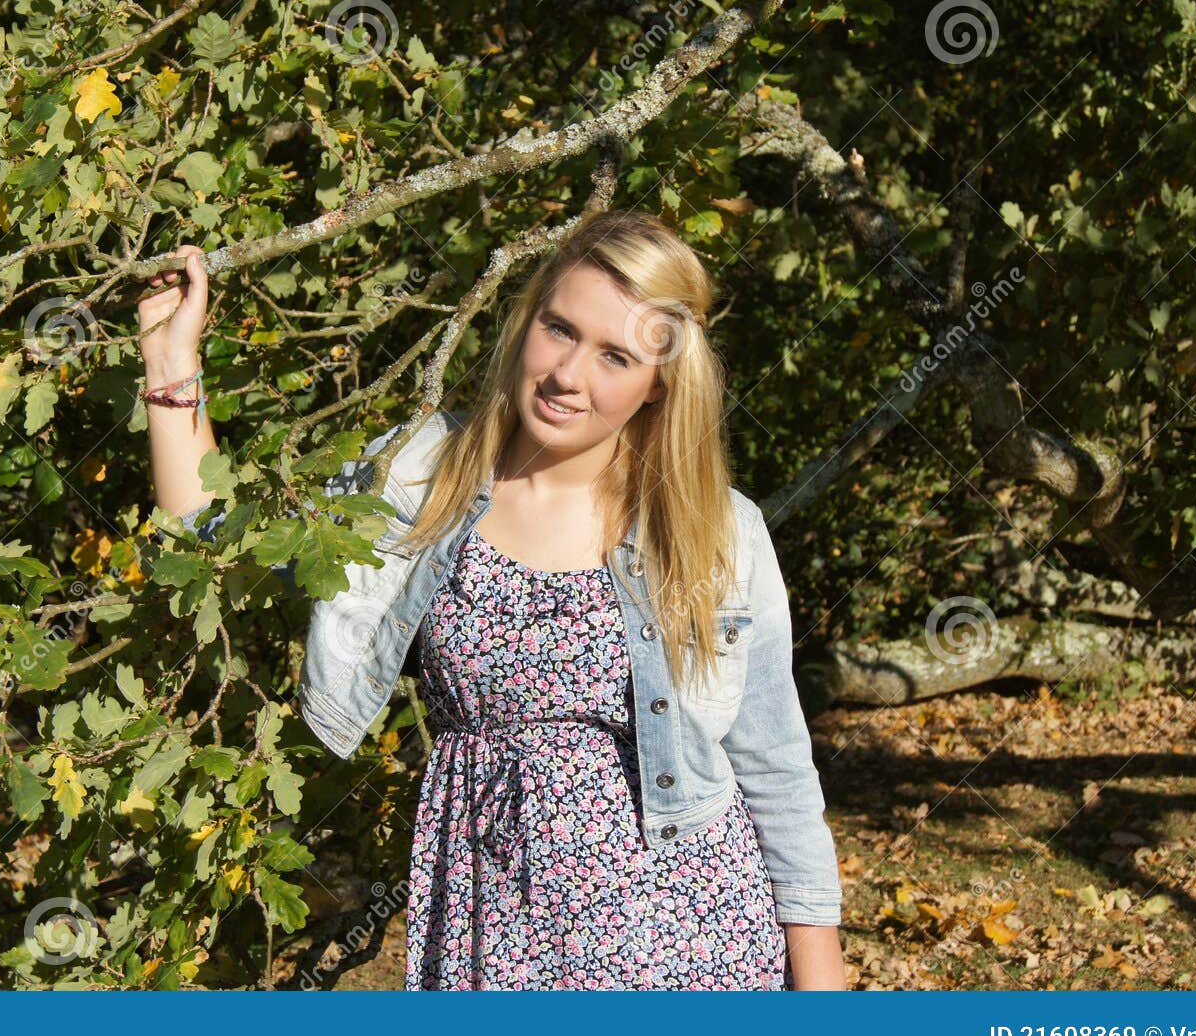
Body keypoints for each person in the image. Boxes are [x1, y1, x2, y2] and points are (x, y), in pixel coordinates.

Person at [139, 210, 846, 990]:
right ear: (527, 319)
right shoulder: (417, 479)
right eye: (560, 329)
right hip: (490, 921)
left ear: (658, 385)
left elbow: (776, 768)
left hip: (686, 940)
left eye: (614, 356)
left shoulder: (713, 530)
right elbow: (222, 535)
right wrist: (170, 361)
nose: (568, 374)